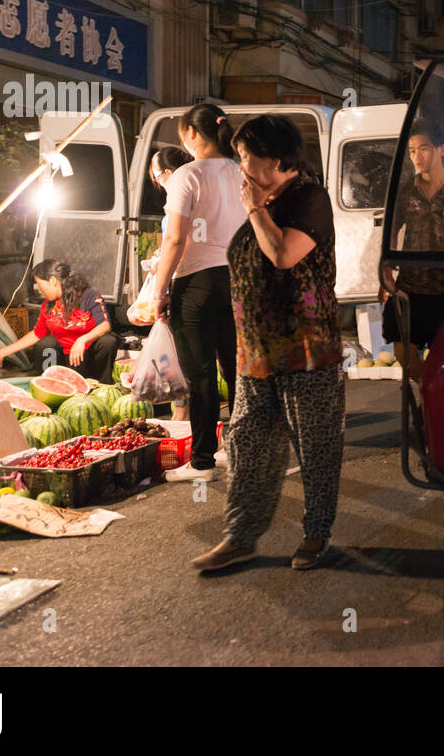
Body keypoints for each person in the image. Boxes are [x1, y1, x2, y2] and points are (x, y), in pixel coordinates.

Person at [191, 115, 345, 573]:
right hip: (255, 354)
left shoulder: (309, 199)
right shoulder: (267, 198)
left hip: (306, 353)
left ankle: (316, 534)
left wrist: (255, 209)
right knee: (248, 445)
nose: (240, 167)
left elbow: (282, 255)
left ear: (276, 161)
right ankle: (239, 536)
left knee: (316, 448)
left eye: (246, 158)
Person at [151, 104, 246, 482]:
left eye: (182, 135)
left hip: (198, 283)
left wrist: (159, 290)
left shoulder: (186, 176)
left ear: (191, 132)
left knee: (201, 374)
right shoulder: (242, 171)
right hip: (238, 279)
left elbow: (174, 238)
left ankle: (204, 461)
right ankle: (241, 451)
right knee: (237, 369)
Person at [382, 120, 444, 375]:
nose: (416, 156)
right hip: (411, 286)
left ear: (441, 149)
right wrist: (385, 268)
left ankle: (436, 402)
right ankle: (427, 393)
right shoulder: (404, 192)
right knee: (404, 353)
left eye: (423, 148)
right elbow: (390, 230)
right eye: (412, 151)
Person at [0, 260, 119, 380]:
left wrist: (82, 340)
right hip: (61, 362)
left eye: (40, 285)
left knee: (108, 341)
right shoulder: (47, 305)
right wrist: (3, 352)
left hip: (86, 359)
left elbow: (105, 325)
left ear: (52, 280)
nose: (40, 291)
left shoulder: (89, 296)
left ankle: (102, 385)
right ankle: (48, 384)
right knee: (45, 343)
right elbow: (37, 334)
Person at [147, 147, 194, 421]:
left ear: (168, 173)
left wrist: (160, 290)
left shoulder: (181, 200)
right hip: (196, 280)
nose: (158, 184)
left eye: (157, 178)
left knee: (183, 352)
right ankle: (186, 413)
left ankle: (183, 413)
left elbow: (179, 243)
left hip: (185, 283)